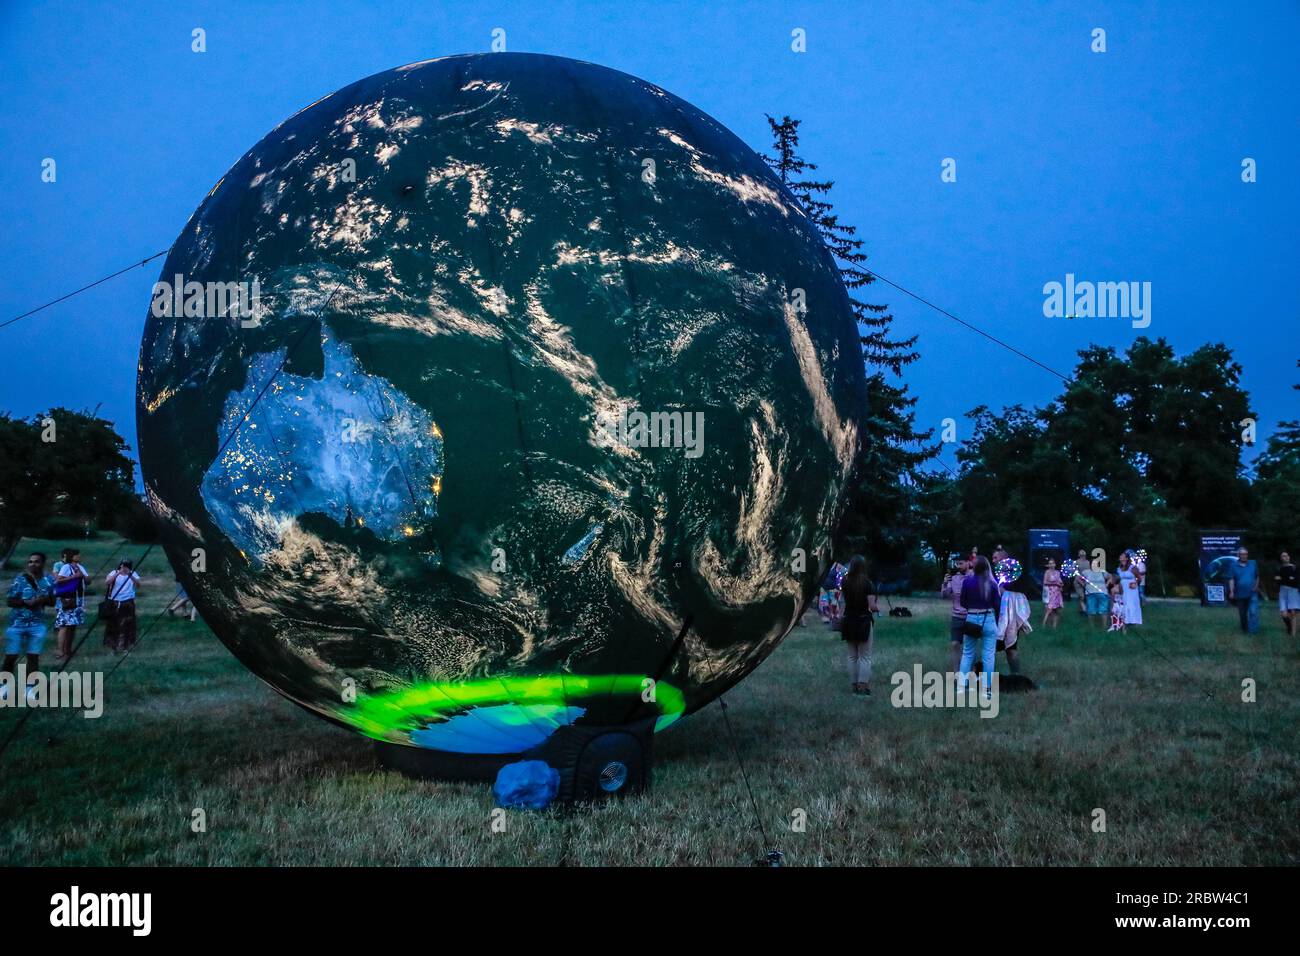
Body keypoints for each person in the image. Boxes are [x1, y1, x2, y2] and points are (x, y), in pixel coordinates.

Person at [3, 552, 54, 701]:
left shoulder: (49, 580)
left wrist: (41, 600)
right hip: (16, 624)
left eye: (36, 561)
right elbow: (10, 601)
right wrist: (26, 603)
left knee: (33, 657)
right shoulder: (20, 579)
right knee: (11, 656)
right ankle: (4, 687)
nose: (32, 564)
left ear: (43, 563)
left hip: (37, 624)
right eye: (30, 561)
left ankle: (30, 689)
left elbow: (52, 601)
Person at [957, 556, 1000, 699]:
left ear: (974, 568)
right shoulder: (992, 584)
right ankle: (986, 690)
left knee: (967, 653)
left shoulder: (967, 582)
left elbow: (963, 602)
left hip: (971, 618)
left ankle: (961, 688)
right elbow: (997, 605)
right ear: (987, 568)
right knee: (988, 656)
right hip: (988, 618)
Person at [839, 556, 879, 695]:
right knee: (865, 656)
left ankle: (854, 685)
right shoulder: (868, 584)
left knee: (852, 656)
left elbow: (842, 602)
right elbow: (872, 606)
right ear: (863, 566)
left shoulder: (845, 581)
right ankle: (863, 686)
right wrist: (877, 609)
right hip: (863, 621)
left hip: (848, 620)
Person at [53, 547, 89, 661]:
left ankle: (68, 650)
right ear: (71, 557)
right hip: (68, 599)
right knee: (64, 625)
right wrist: (74, 577)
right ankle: (61, 650)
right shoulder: (66, 567)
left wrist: (84, 576)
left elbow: (88, 581)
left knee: (72, 626)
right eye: (77, 555)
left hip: (78, 600)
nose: (79, 556)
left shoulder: (81, 567)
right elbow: (59, 580)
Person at [103, 560, 142, 653]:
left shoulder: (133, 574)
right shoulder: (114, 572)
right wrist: (118, 573)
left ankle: (125, 646)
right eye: (123, 566)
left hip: (128, 601)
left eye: (126, 566)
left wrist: (129, 574)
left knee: (127, 624)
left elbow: (138, 585)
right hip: (115, 601)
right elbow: (107, 582)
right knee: (114, 624)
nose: (124, 568)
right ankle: (114, 646)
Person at [998, 569, 1033, 673]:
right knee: (990, 651)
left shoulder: (1012, 575)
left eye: (996, 559)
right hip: (995, 619)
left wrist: (1003, 592)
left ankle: (1015, 676)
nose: (994, 561)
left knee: (1011, 649)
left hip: (1008, 619)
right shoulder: (994, 575)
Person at [941, 558, 972, 673]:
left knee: (969, 647)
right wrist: (945, 583)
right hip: (957, 616)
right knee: (955, 644)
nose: (959, 566)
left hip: (971, 616)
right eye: (957, 563)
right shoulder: (954, 579)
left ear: (968, 563)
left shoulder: (974, 577)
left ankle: (970, 672)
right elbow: (944, 596)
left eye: (961, 563)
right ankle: (956, 672)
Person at [1226, 546, 1261, 635]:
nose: (1244, 556)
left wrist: (1256, 586)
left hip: (1252, 592)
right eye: (1242, 554)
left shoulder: (1253, 563)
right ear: (1238, 555)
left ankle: (1252, 631)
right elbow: (1231, 579)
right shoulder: (1233, 565)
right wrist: (1231, 591)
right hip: (1239, 593)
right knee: (1242, 614)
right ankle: (1244, 628)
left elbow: (1257, 576)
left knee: (1253, 612)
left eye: (1246, 554)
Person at [1116, 551, 1143, 627]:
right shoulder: (1118, 569)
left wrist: (1136, 583)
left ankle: (1134, 621)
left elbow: (1139, 578)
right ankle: (1124, 623)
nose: (1120, 557)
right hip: (1122, 588)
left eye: (1122, 556)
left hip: (1131, 589)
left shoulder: (1132, 568)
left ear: (1126, 558)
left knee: (1131, 604)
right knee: (1123, 604)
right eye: (1120, 556)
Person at [1275, 551, 1298, 637]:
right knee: (1284, 614)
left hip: (1293, 591)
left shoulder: (1294, 567)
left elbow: (1296, 580)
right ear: (1281, 558)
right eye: (1284, 556)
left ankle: (1293, 634)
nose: (1286, 557)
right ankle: (1289, 627)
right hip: (1283, 591)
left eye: (1287, 555)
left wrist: (1283, 579)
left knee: (1293, 613)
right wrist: (1289, 579)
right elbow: (1276, 579)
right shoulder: (1279, 568)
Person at [1041, 558, 1063, 628]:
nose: (1051, 565)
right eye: (1050, 563)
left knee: (1056, 610)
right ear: (1048, 565)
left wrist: (1061, 584)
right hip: (1050, 592)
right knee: (1049, 609)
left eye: (1052, 563)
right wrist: (1055, 583)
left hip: (1057, 593)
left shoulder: (1057, 572)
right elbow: (1045, 582)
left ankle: (1054, 626)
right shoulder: (1047, 572)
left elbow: (1059, 581)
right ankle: (1043, 625)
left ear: (1055, 564)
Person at [1073, 549, 1091, 615]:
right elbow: (1076, 574)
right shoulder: (1076, 562)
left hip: (1086, 582)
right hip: (1078, 582)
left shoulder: (1088, 562)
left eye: (1083, 555)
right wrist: (1081, 582)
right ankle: (1085, 610)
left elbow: (1089, 573)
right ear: (1079, 555)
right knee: (1081, 596)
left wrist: (1087, 581)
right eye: (1081, 555)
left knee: (1085, 597)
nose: (1082, 556)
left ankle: (1081, 610)